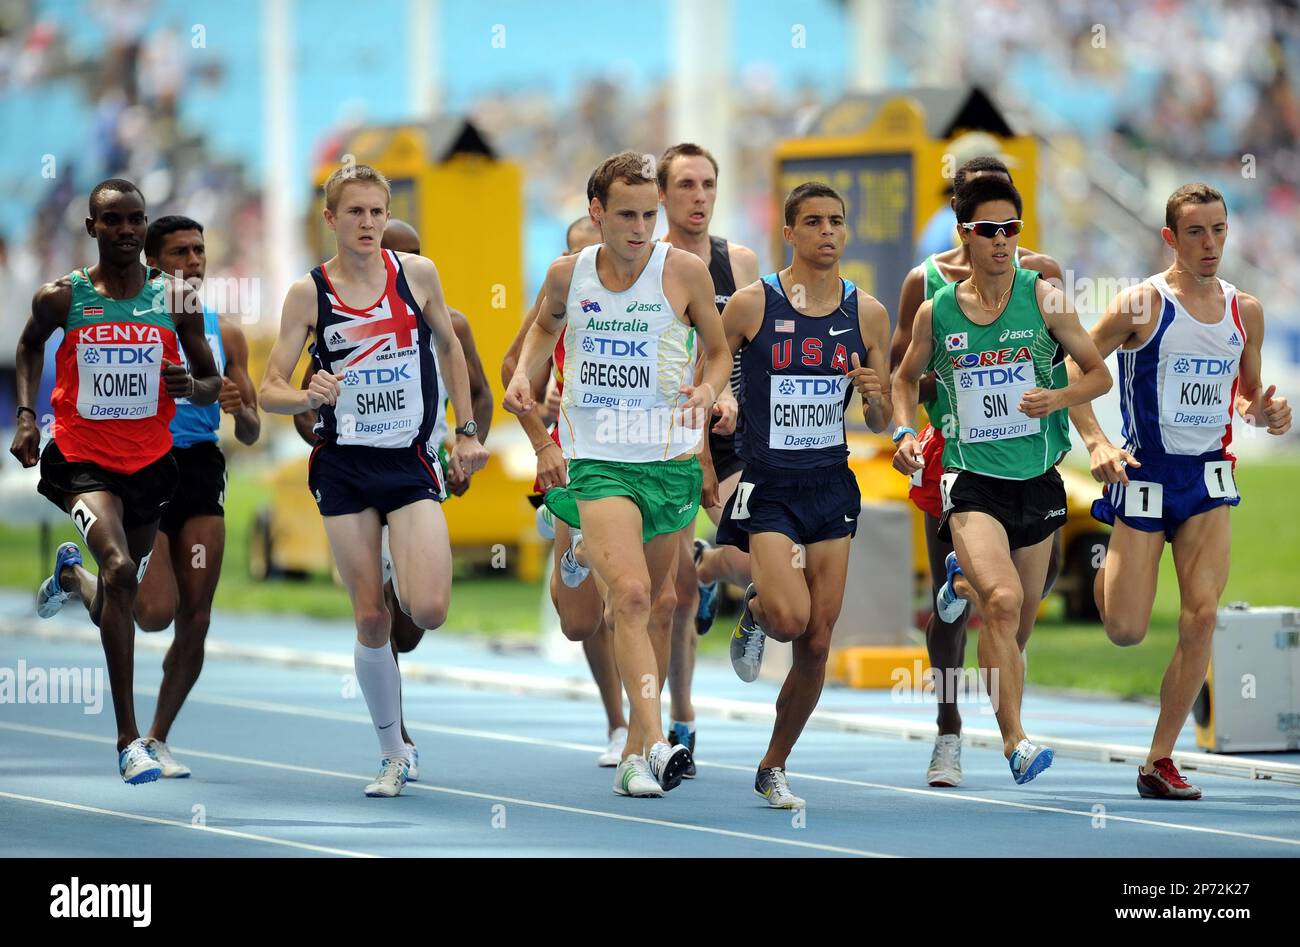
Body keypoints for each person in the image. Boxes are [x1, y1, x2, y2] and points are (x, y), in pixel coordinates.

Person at [504, 150, 730, 797]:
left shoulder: (683, 271)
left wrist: (709, 390)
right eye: (626, 214)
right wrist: (526, 384)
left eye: (649, 215)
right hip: (599, 463)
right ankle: (657, 740)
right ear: (595, 212)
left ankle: (635, 748)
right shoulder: (566, 276)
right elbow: (536, 345)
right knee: (628, 595)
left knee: (658, 607)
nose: (640, 228)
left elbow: (717, 352)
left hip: (668, 461)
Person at [260, 164, 488, 798]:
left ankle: (396, 566)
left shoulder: (417, 275)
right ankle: (392, 752)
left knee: (430, 609)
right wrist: (306, 392)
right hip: (344, 467)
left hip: (408, 460)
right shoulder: (309, 295)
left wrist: (464, 432)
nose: (367, 224)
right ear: (330, 219)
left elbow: (450, 348)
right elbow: (268, 390)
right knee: (369, 617)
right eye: (354, 213)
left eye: (376, 212)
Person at [1066, 183, 1291, 800]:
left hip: (1209, 478)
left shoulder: (1247, 311)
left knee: (1202, 617)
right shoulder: (1141, 305)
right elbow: (1072, 367)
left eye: (1218, 230)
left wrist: (1265, 413)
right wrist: (1096, 443)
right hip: (1145, 474)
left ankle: (1159, 760)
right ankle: (1101, 578)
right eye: (1196, 232)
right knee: (1125, 630)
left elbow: (1247, 394)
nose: (1210, 243)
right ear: (1170, 238)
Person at [891, 174, 1110, 786]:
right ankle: (1011, 740)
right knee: (1004, 601)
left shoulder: (1044, 297)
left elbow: (1097, 374)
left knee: (1022, 618)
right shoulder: (934, 304)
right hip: (967, 475)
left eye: (1011, 229)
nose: (1002, 241)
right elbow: (905, 377)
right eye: (989, 231)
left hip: (1038, 477)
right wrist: (904, 435)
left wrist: (1058, 397)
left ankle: (964, 587)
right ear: (964, 233)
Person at [12, 178, 221, 784]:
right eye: (113, 221)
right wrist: (28, 417)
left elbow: (209, 382)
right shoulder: (62, 298)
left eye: (136, 220)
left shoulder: (176, 300)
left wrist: (193, 387)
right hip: (81, 461)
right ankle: (129, 741)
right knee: (124, 572)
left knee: (118, 596)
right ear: (91, 228)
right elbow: (27, 350)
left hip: (151, 466)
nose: (127, 230)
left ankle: (71, 578)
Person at [718, 182, 893, 808]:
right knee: (791, 620)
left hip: (831, 485)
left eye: (837, 222)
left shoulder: (867, 313)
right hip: (769, 484)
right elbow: (713, 364)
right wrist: (720, 399)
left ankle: (773, 764)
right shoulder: (750, 304)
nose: (827, 232)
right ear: (788, 232)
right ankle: (760, 607)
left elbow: (881, 418)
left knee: (818, 640)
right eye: (813, 222)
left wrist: (876, 396)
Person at [129, 215, 262, 778]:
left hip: (202, 470)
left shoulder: (225, 331)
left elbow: (253, 430)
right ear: (153, 262)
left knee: (197, 617)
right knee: (155, 613)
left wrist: (239, 408)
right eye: (180, 251)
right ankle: (79, 580)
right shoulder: (129, 320)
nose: (194, 261)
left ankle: (156, 737)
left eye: (200, 250)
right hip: (142, 465)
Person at [503, 207, 632, 767]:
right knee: (581, 618)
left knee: (631, 597)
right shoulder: (560, 290)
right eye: (579, 251)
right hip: (572, 454)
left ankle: (644, 725)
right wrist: (542, 411)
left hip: (637, 455)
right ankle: (616, 720)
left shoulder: (646, 289)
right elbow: (514, 367)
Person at [656, 142, 760, 778]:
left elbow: (751, 347)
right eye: (686, 185)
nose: (699, 196)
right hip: (661, 437)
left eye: (708, 184)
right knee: (667, 596)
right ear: (662, 195)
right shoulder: (649, 265)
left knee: (755, 559)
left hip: (729, 435)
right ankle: (682, 717)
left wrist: (735, 402)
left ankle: (711, 562)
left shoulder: (738, 262)